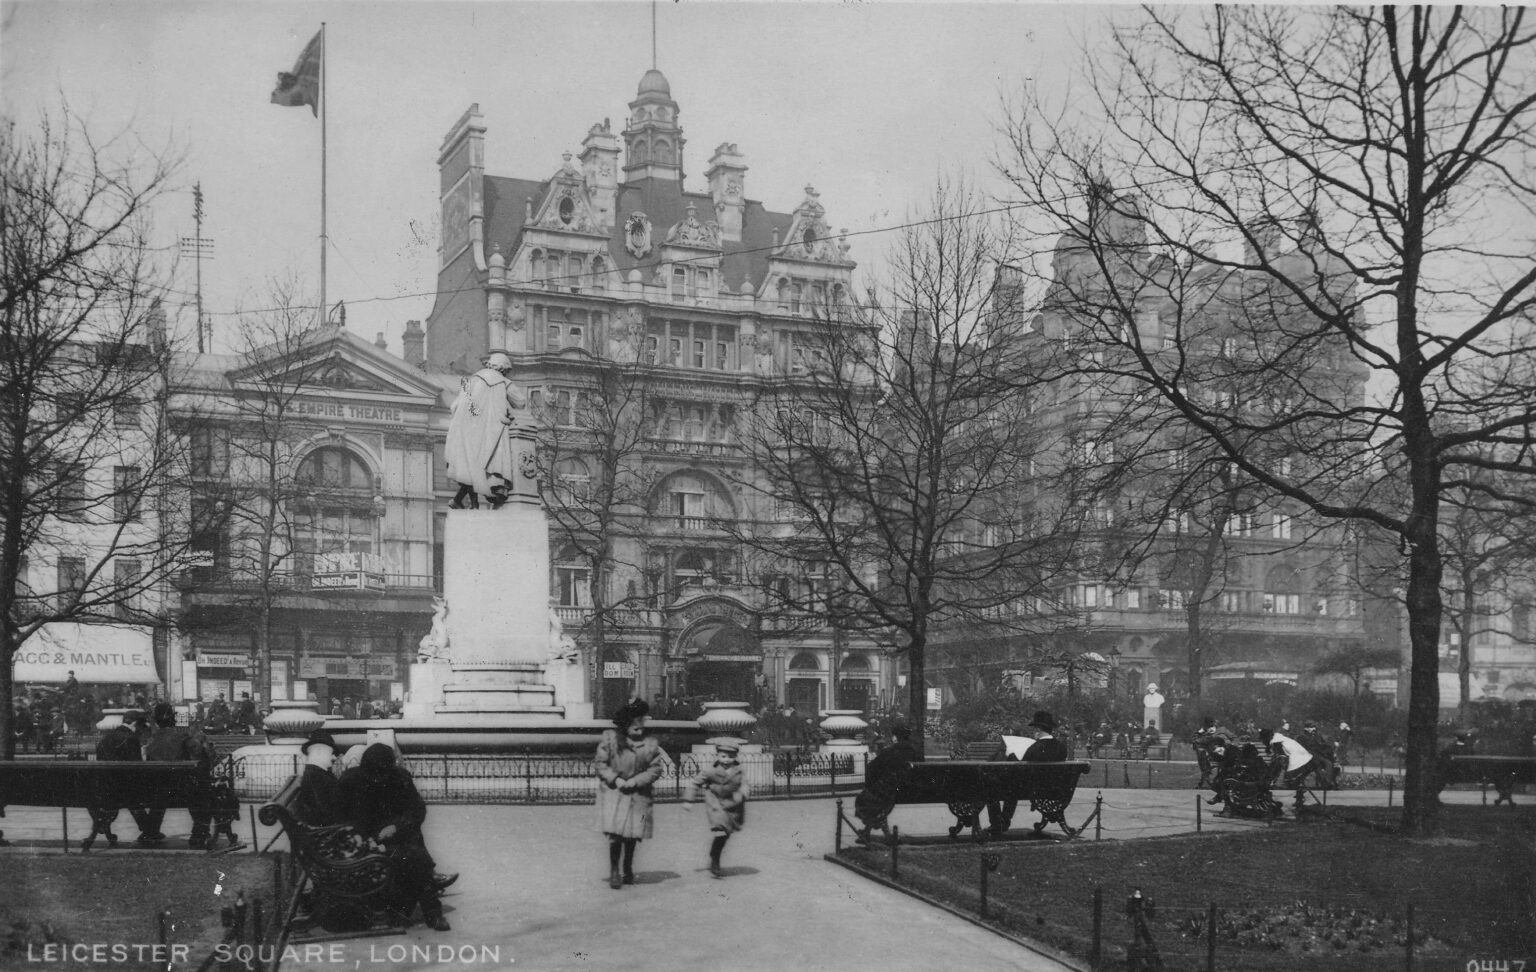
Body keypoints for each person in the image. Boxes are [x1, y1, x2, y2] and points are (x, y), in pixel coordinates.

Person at [338, 744, 454, 931]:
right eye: (375, 773)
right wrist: (369, 836)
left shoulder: (400, 778)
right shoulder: (351, 781)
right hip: (367, 838)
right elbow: (343, 817)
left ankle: (418, 912)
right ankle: (431, 912)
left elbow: (417, 810)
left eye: (383, 772)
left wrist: (396, 827)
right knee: (417, 858)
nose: (378, 778)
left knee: (414, 851)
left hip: (397, 835)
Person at [593, 699, 666, 890]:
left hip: (639, 795)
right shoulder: (610, 740)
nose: (640, 729)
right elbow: (601, 764)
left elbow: (655, 769)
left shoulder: (650, 745)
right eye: (635, 726)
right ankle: (615, 870)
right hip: (615, 793)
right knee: (616, 835)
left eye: (641, 725)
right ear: (625, 725)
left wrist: (636, 781)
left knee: (633, 834)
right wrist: (615, 779)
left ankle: (628, 867)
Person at [444, 351, 528, 509]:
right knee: (480, 467)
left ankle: (469, 504)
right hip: (487, 431)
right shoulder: (502, 381)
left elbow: (454, 406)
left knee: (469, 467)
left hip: (465, 429)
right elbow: (520, 402)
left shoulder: (470, 380)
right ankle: (471, 503)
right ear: (503, 369)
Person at [142, 702, 217, 847]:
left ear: (157, 721)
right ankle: (199, 833)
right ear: (173, 719)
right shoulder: (183, 737)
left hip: (156, 792)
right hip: (182, 791)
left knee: (160, 794)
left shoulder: (152, 741)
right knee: (203, 794)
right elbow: (202, 760)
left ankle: (151, 830)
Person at [82, 710, 151, 850]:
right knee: (136, 796)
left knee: (130, 794)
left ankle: (105, 827)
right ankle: (149, 830)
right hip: (122, 790)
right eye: (140, 726)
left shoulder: (107, 737)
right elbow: (136, 768)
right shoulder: (131, 738)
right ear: (135, 723)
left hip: (104, 787)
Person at [683, 738, 749, 878]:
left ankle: (714, 852)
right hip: (716, 803)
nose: (726, 760)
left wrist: (743, 793)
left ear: (735, 757)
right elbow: (695, 783)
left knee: (726, 833)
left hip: (733, 803)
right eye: (723, 756)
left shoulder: (739, 770)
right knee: (721, 830)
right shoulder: (710, 771)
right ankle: (715, 861)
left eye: (730, 757)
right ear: (717, 756)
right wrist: (689, 799)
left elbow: (745, 784)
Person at [854, 724, 919, 845]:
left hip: (888, 789)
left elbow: (872, 768)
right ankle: (874, 833)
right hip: (905, 790)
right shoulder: (913, 752)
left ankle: (872, 833)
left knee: (869, 800)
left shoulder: (889, 751)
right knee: (880, 802)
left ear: (895, 738)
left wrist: (870, 784)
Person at [1261, 726, 1315, 812]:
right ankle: (1299, 800)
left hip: (1299, 760)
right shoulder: (1279, 739)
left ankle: (1299, 800)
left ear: (1266, 738)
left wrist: (1272, 774)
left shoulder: (1277, 742)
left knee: (1291, 780)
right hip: (1305, 758)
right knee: (1296, 781)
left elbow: (1280, 758)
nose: (1262, 742)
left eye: (1263, 739)